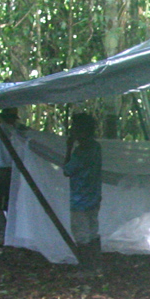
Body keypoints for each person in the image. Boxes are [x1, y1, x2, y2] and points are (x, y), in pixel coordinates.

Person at [63, 112, 102, 271]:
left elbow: (67, 170)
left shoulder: (80, 152)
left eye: (74, 129)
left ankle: (87, 268)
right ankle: (96, 265)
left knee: (81, 235)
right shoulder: (96, 147)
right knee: (92, 232)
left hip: (80, 200)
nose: (72, 132)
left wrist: (68, 147)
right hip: (94, 196)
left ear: (81, 131)